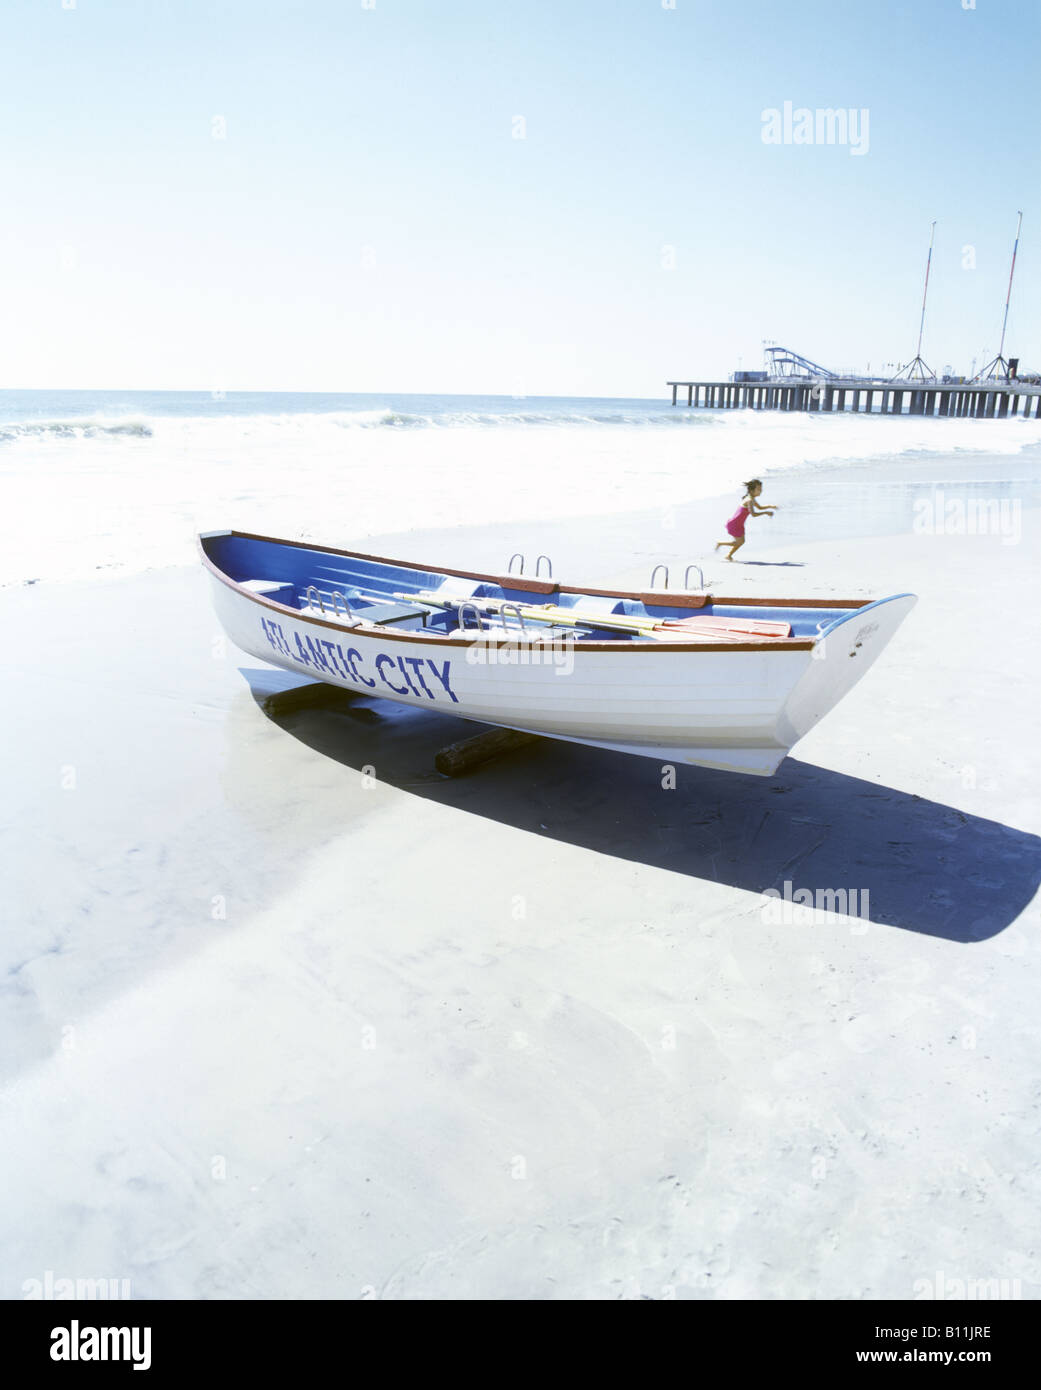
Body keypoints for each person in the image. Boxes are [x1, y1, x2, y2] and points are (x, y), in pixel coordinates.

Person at [714, 479, 776, 561]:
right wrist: (766, 513)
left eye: (761, 489)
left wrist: (770, 506)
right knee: (739, 542)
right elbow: (753, 514)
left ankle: (728, 555)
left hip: (739, 524)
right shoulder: (749, 500)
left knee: (741, 542)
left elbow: (759, 507)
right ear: (751, 490)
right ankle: (720, 544)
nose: (760, 491)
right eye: (758, 489)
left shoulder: (751, 498)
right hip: (735, 524)